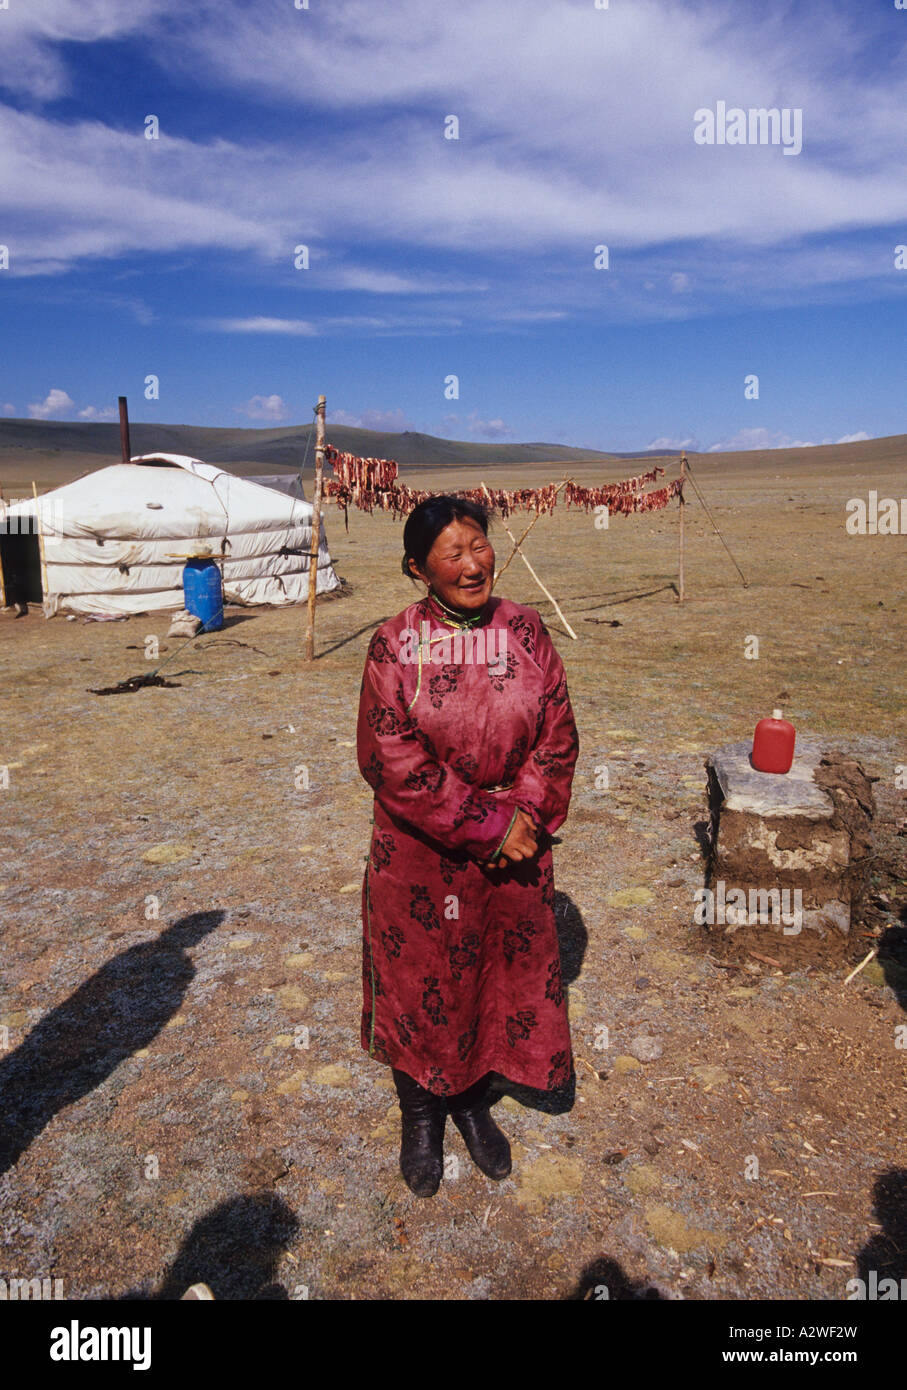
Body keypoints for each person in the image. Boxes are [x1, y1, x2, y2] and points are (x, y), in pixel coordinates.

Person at [356, 495, 579, 1197]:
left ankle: (472, 1101)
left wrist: (527, 818)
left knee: (490, 976)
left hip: (516, 850)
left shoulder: (525, 629)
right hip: (423, 854)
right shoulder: (395, 644)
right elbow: (387, 754)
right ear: (419, 568)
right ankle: (420, 1111)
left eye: (478, 545)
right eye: (451, 553)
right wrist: (485, 825)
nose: (471, 562)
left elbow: (558, 732)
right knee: (421, 984)